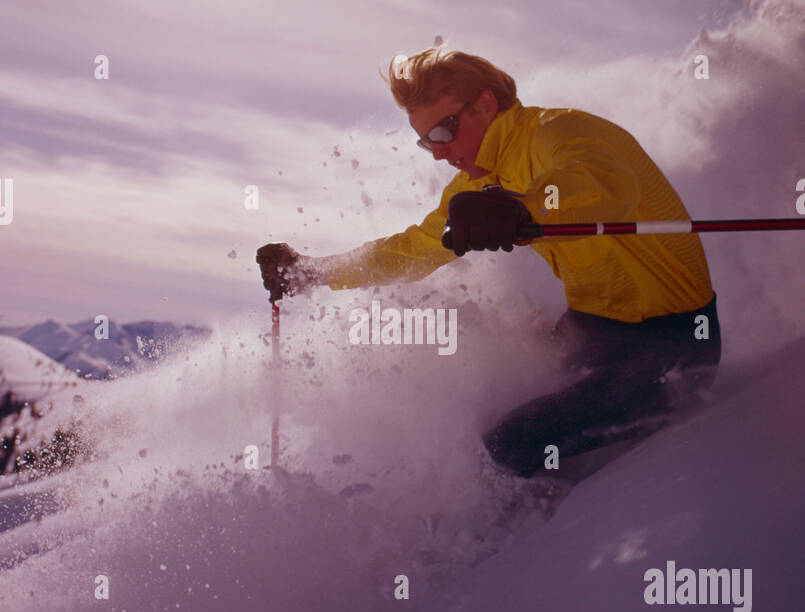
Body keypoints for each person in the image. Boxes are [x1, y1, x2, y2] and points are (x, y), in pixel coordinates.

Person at [256, 48, 720, 483]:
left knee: (507, 444)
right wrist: (312, 272)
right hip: (593, 330)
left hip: (673, 342)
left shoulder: (561, 132)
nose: (438, 150)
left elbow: (602, 188)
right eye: (425, 142)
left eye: (443, 131)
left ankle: (538, 545)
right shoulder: (476, 187)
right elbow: (412, 249)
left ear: (484, 104)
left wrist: (524, 210)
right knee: (477, 406)